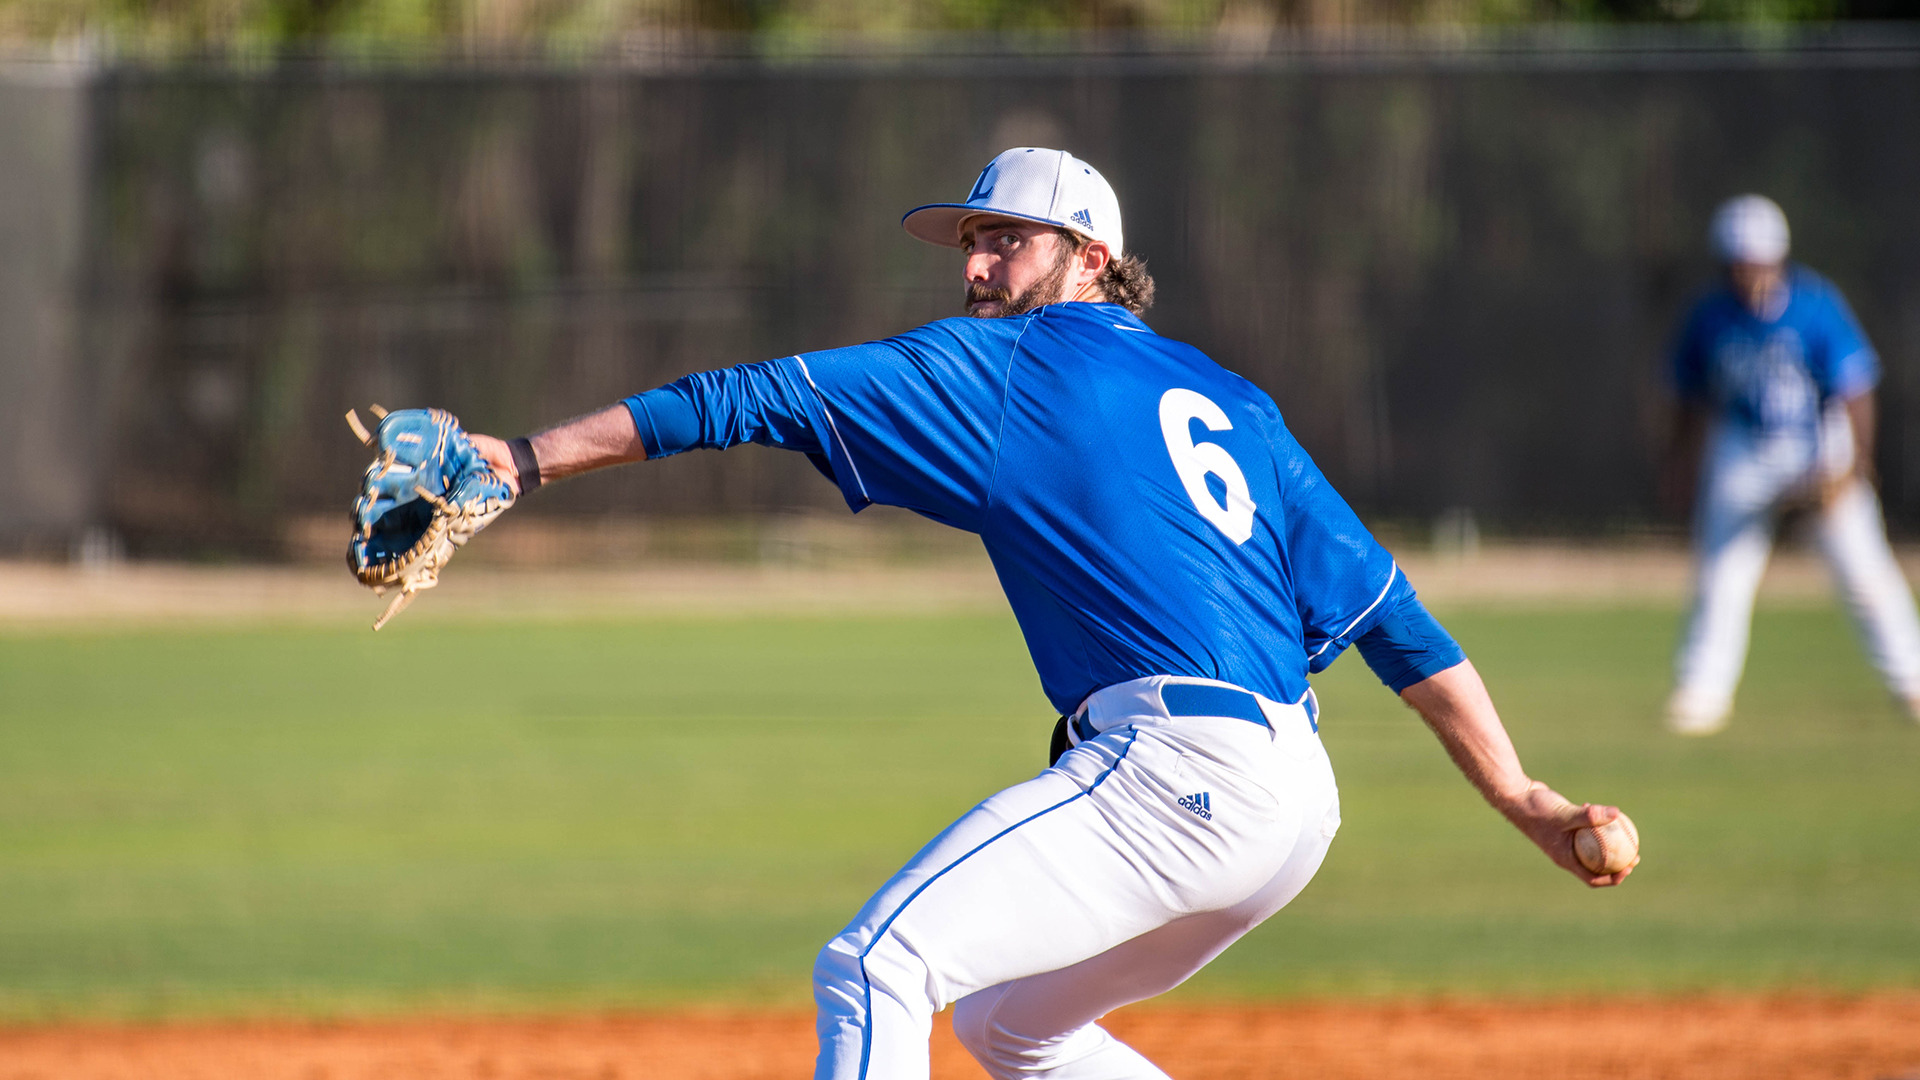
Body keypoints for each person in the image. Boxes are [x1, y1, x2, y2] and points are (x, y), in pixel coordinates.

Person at [468, 147, 1635, 1080]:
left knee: (875, 970)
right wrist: (1523, 795)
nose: (975, 270)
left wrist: (522, 459)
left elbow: (748, 398)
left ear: (1087, 256)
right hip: (1293, 810)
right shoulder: (1235, 400)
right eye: (970, 245)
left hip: (1180, 773)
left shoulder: (1012, 369)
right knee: (1012, 1034)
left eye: (1004, 242)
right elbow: (1395, 619)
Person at [1662, 194, 1920, 736]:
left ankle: (1913, 681)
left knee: (1865, 572)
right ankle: (1701, 693)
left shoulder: (1815, 304)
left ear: (1778, 259)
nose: (1748, 273)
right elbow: (1688, 398)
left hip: (1815, 444)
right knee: (1722, 573)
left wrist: (1857, 465)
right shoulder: (1709, 315)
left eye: (1757, 262)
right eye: (1738, 263)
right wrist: (1680, 463)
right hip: (1744, 447)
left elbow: (1855, 388)